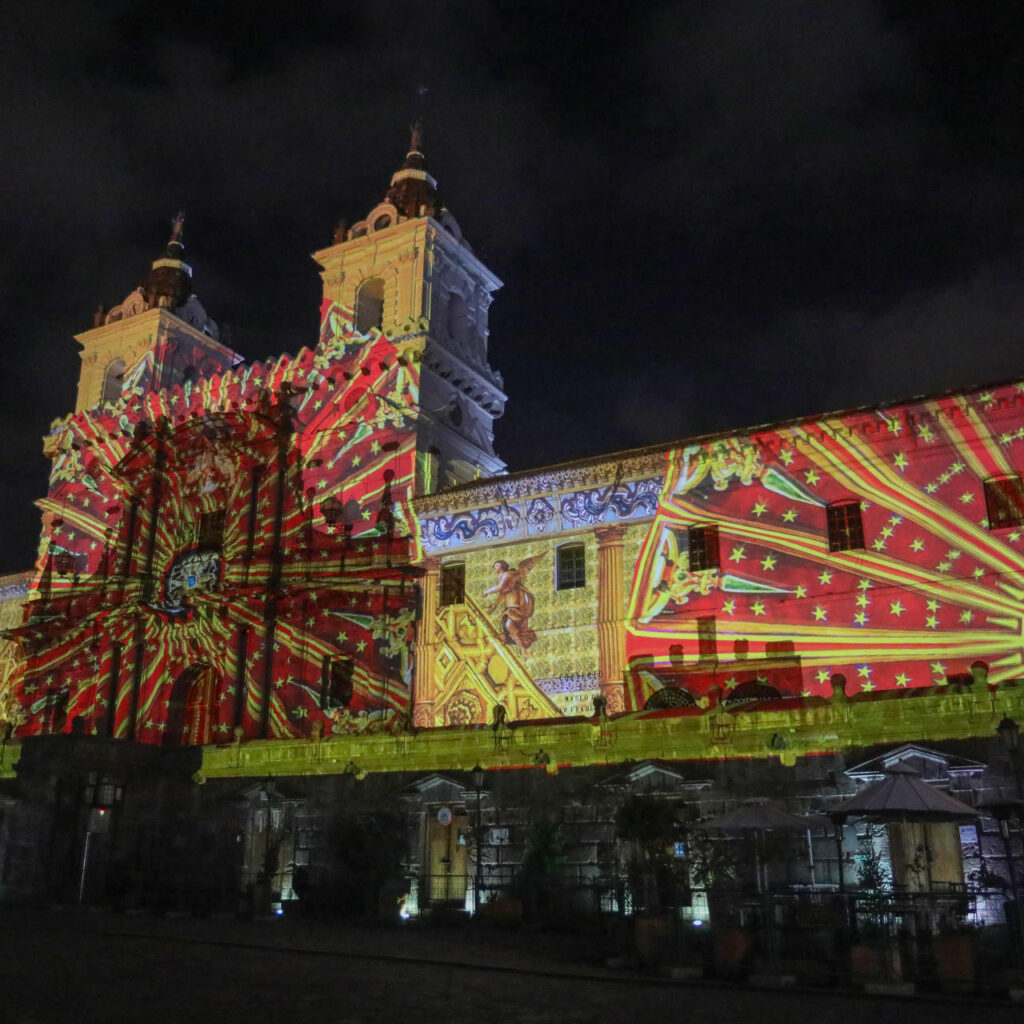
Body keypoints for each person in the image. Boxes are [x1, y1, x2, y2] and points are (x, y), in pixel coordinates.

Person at [483, 553, 545, 653]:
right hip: (509, 608)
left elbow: (500, 587)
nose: (495, 568)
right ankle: (522, 649)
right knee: (509, 628)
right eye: (494, 566)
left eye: (497, 565)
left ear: (502, 566)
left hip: (517, 607)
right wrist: (492, 609)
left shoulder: (508, 574)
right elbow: (501, 595)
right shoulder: (501, 577)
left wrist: (487, 591)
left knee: (509, 626)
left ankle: (523, 649)